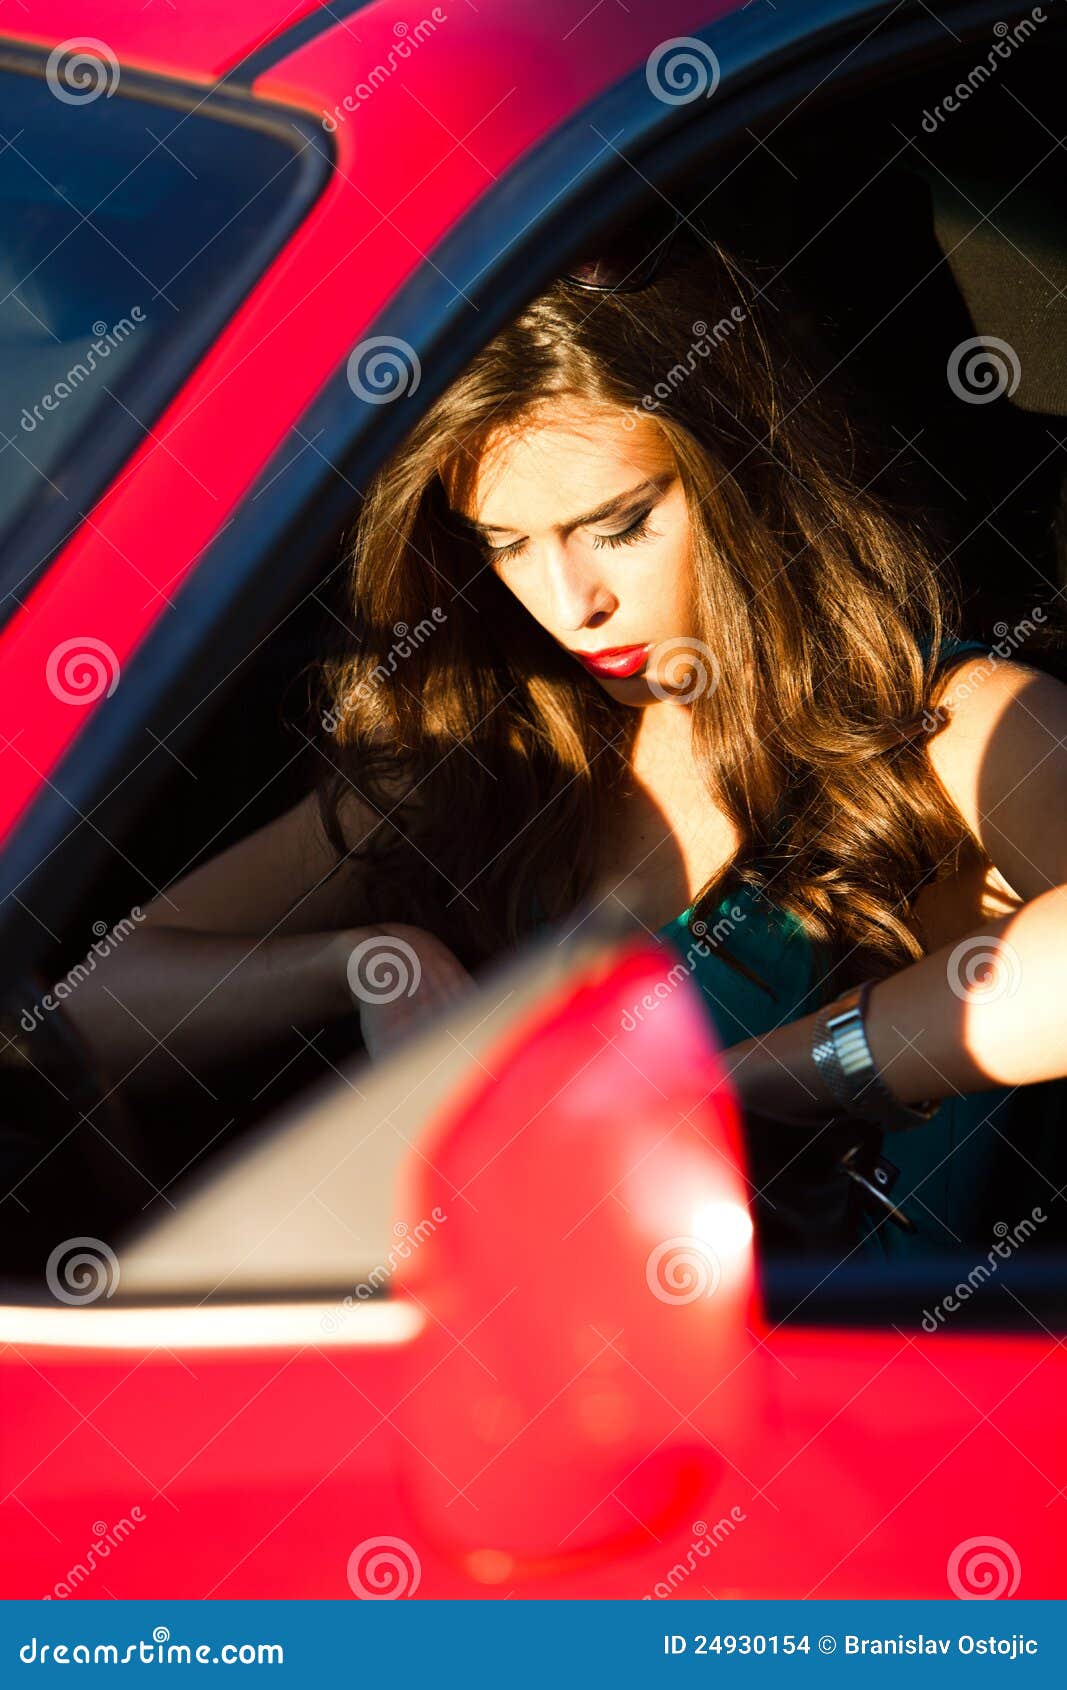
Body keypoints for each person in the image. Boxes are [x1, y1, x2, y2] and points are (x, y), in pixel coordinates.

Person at [65, 219, 1067, 1254]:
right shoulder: (486, 750)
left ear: (743, 472)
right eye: (505, 544)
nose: (567, 603)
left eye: (619, 524)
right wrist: (370, 962)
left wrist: (753, 1082)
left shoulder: (941, 725)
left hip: (848, 1389)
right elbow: (85, 1006)